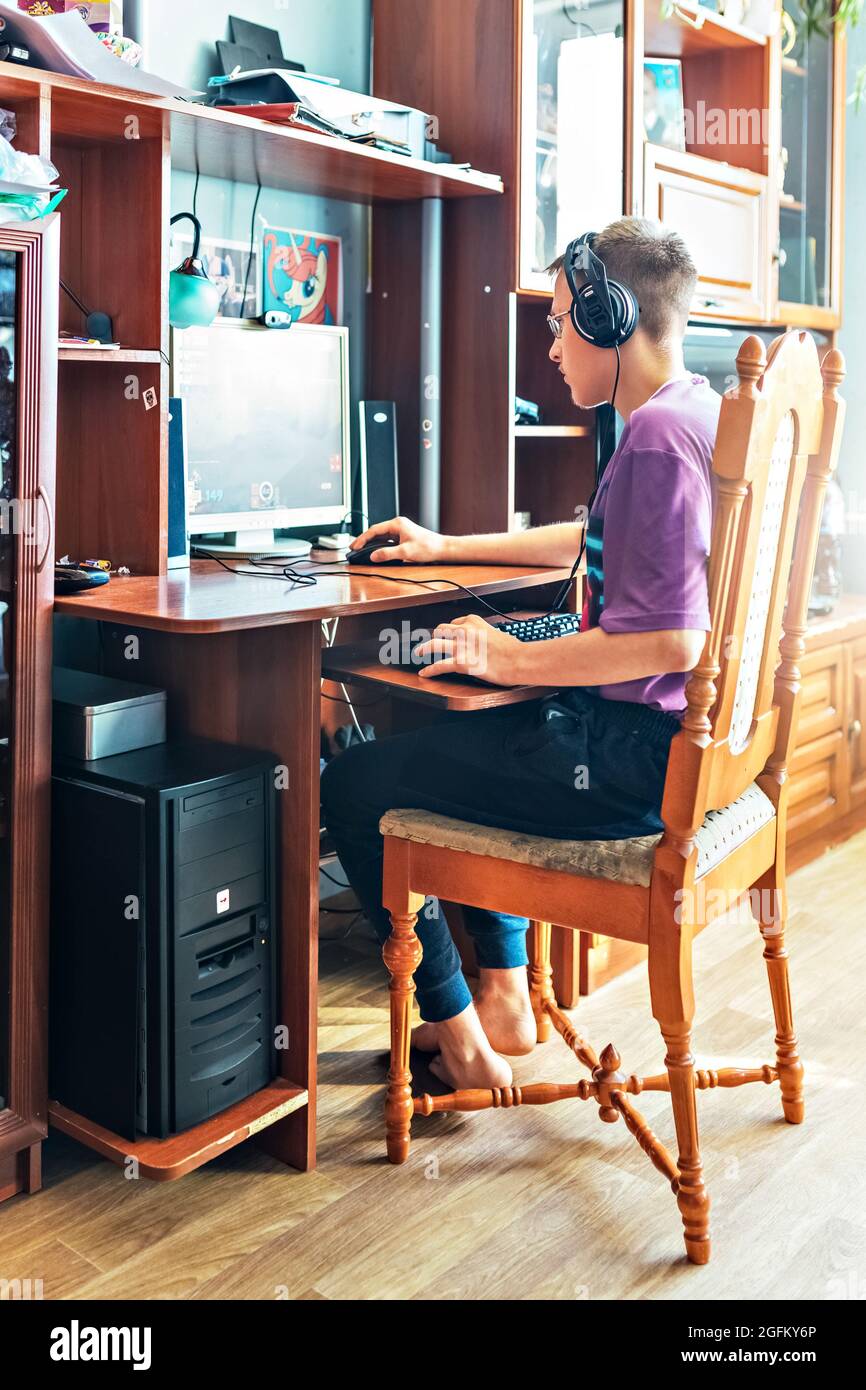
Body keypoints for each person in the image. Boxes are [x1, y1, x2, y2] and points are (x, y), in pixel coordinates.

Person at [320, 217, 721, 1092]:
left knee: (354, 783)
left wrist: (507, 659)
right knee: (478, 735)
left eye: (559, 320)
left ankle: (459, 1034)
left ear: (612, 320)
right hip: (674, 754)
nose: (551, 345)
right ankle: (504, 996)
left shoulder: (653, 440)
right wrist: (445, 547)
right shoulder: (692, 415)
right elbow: (596, 536)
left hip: (628, 766)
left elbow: (669, 640)